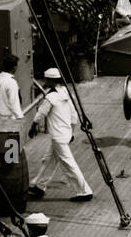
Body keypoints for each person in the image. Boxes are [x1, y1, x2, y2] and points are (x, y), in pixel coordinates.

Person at [28, 69, 92, 202]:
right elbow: (74, 115)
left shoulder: (51, 97)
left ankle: (84, 191)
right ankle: (39, 185)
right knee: (48, 159)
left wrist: (33, 125)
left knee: (69, 164)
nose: (45, 82)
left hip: (58, 136)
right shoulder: (67, 93)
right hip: (65, 133)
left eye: (47, 80)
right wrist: (71, 131)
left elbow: (41, 112)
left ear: (51, 80)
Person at [0, 54, 24, 119]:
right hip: (11, 118)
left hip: (0, 116)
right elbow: (14, 103)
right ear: (14, 67)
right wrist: (20, 117)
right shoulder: (11, 82)